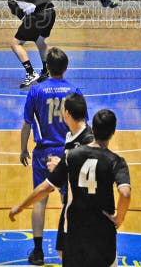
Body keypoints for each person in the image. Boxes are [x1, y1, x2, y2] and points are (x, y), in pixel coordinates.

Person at [10, 109, 131, 267]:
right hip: (103, 234)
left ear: (92, 129)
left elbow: (44, 188)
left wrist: (20, 207)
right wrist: (119, 217)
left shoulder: (71, 156)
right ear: (113, 132)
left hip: (75, 233)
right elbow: (125, 193)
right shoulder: (116, 161)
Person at [18, 47, 82, 265]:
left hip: (43, 152)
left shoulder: (35, 91)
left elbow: (27, 123)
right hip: (68, 152)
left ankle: (38, 252)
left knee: (39, 200)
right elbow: (82, 127)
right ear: (66, 67)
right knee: (69, 201)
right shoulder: (74, 91)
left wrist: (23, 148)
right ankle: (70, 247)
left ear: (47, 67)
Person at [47, 91, 94, 260]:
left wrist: (59, 170)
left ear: (67, 114)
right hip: (70, 201)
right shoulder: (71, 135)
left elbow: (86, 175)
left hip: (83, 206)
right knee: (62, 249)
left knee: (74, 253)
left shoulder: (87, 140)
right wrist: (62, 164)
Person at [6, 0, 56, 89]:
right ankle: (46, 70)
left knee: (16, 44)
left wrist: (29, 28)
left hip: (39, 16)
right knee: (40, 40)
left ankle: (31, 73)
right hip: (51, 12)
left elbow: (24, 17)